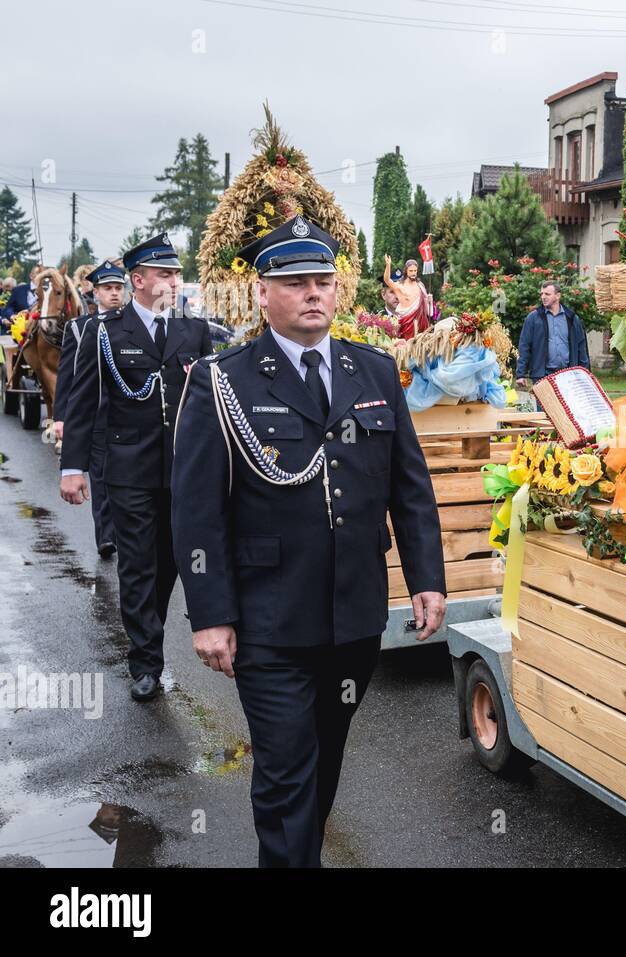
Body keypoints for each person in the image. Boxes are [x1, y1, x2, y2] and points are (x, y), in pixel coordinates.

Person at [171, 216, 447, 868]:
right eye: (296, 283)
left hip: (353, 617)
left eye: (323, 280)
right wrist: (210, 613)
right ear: (263, 293)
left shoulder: (374, 372)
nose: (313, 293)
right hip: (269, 621)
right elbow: (196, 509)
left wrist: (427, 578)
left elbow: (409, 487)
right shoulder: (224, 382)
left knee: (320, 766)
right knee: (287, 773)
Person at [59, 234, 212, 702]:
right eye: (163, 274)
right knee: (138, 565)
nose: (172, 280)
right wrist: (72, 468)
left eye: (175, 273)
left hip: (182, 471)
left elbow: (208, 403)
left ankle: (152, 628)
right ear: (138, 280)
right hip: (128, 470)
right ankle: (146, 661)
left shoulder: (193, 330)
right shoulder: (106, 332)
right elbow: (83, 402)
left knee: (169, 564)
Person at [53, 260, 125, 558]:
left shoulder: (133, 326)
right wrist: (60, 417)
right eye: (108, 288)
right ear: (95, 293)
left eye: (119, 288)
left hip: (125, 416)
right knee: (101, 478)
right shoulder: (80, 328)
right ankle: (106, 536)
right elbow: (68, 374)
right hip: (96, 415)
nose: (114, 294)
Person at [515, 280, 589, 388]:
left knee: (565, 405)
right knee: (544, 405)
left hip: (569, 375)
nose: (543, 297)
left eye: (547, 294)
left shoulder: (572, 318)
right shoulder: (533, 318)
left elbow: (581, 348)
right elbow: (524, 346)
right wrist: (520, 374)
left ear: (557, 296)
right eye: (542, 294)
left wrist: (585, 373)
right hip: (542, 375)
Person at [382, 255, 431, 339]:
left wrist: (429, 301)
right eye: (411, 271)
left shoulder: (420, 286)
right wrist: (388, 265)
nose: (413, 273)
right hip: (406, 324)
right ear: (406, 271)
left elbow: (426, 308)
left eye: (415, 271)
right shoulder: (400, 286)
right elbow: (387, 280)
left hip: (421, 324)